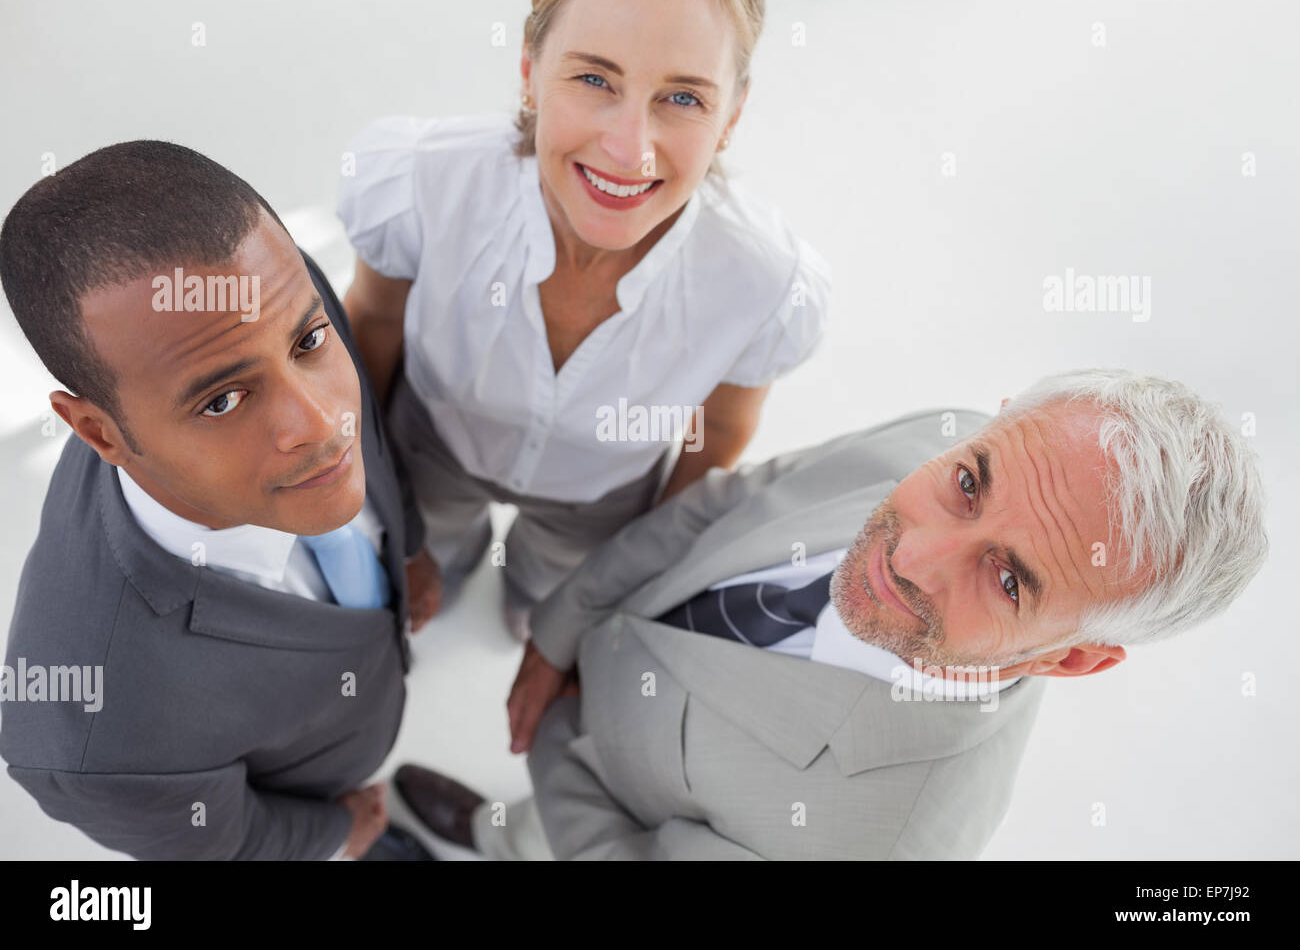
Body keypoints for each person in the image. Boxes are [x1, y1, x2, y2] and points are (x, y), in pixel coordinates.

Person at [394, 368, 1269, 859]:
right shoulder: (943, 428)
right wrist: (562, 629)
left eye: (1010, 581)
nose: (911, 556)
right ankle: (492, 829)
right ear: (986, 426)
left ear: (1072, 660)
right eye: (968, 483)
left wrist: (555, 744)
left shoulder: (875, 843)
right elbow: (724, 505)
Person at [337, 0, 829, 637]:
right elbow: (370, 325)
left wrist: (631, 584)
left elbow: (719, 427)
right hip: (432, 442)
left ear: (731, 113)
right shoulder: (424, 181)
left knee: (539, 611)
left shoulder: (763, 280)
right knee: (434, 569)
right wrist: (385, 522)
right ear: (529, 71)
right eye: (594, 78)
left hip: (601, 494)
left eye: (683, 98)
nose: (630, 151)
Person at [0, 141, 440, 860]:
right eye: (224, 400)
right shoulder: (89, 732)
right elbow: (225, 844)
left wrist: (410, 549)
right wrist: (340, 832)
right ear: (96, 431)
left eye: (308, 344)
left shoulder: (273, 303)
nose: (323, 424)